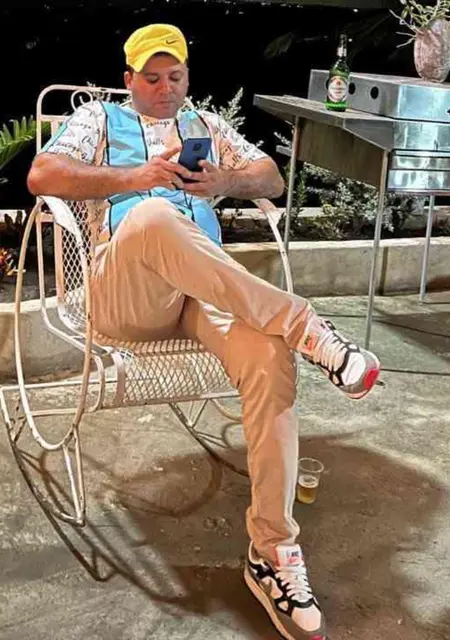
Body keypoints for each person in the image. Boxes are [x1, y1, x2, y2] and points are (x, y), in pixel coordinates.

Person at [27, 23, 380, 640]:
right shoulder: (100, 120)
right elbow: (41, 175)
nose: (165, 89)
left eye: (176, 77)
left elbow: (271, 177)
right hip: (124, 293)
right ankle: (308, 324)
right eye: (152, 78)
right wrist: (135, 179)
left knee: (268, 356)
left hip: (200, 297)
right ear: (129, 80)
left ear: (188, 77)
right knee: (155, 215)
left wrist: (225, 182)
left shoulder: (206, 126)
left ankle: (271, 552)